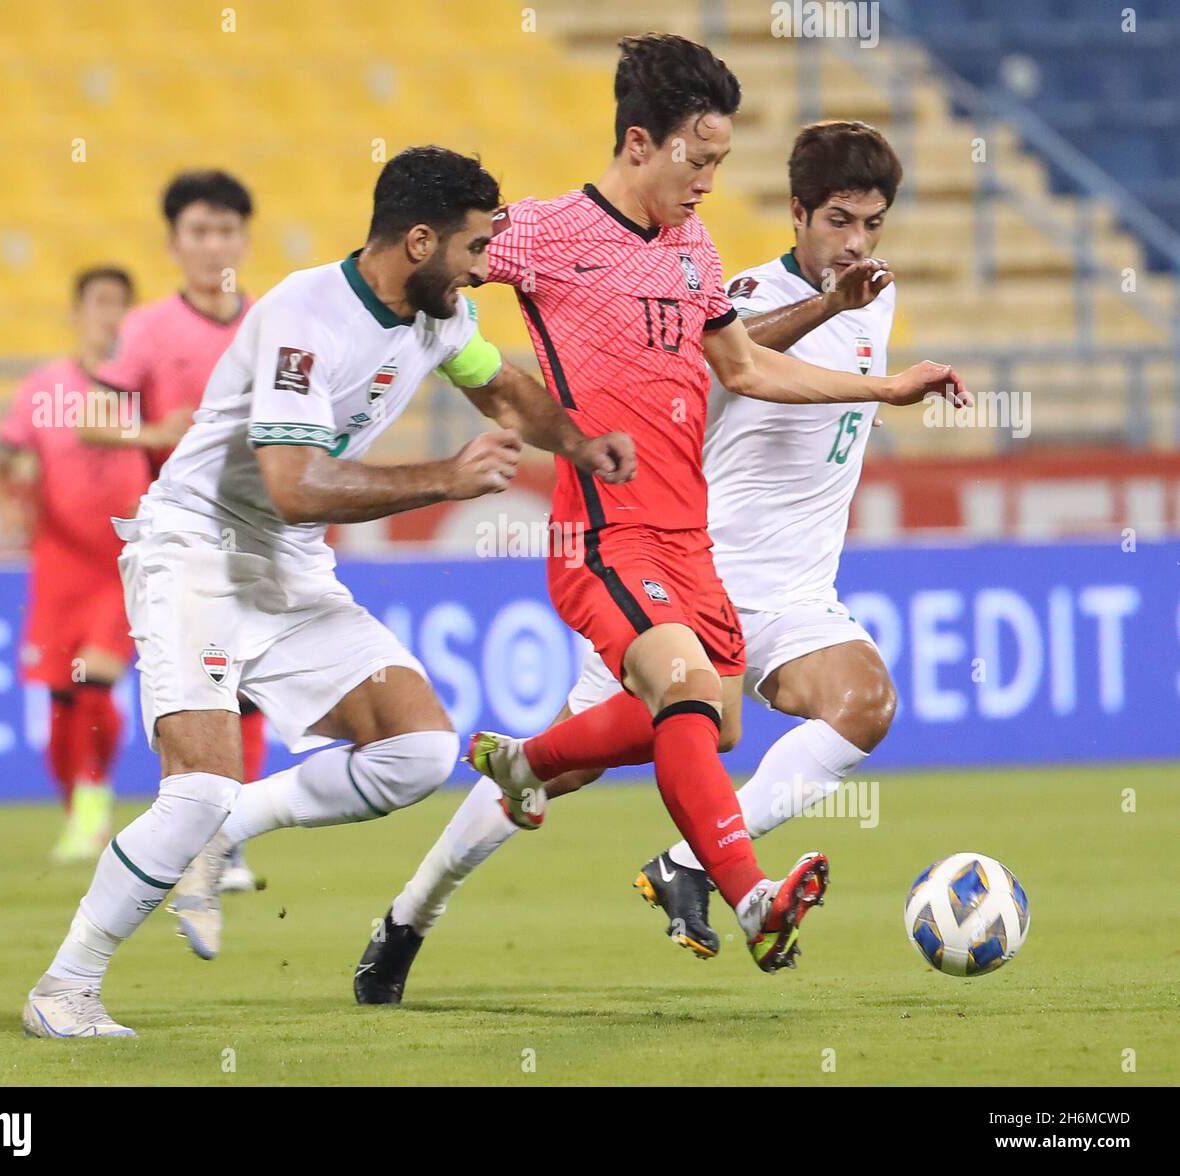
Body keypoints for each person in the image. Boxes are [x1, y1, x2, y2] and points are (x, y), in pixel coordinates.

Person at [354, 35, 968, 997]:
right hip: (605, 531)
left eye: (722, 161)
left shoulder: (692, 249)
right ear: (641, 142)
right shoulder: (549, 233)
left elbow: (744, 367)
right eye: (700, 159)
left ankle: (466, 835)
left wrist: (885, 387)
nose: (711, 182)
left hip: (688, 545)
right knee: (682, 694)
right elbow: (433, 259)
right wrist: (420, 335)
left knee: (699, 728)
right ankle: (747, 897)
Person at [21, 146, 635, 1038]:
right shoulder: (307, 318)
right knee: (192, 791)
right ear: (418, 240)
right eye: (470, 249)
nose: (480, 270)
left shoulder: (437, 316)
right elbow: (293, 485)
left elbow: (501, 387)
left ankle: (231, 831)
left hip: (288, 561)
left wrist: (576, 442)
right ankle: (64, 988)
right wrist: (445, 478)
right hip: (198, 549)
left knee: (420, 753)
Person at [79, 168, 268, 891]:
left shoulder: (271, 319)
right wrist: (154, 427)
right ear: (173, 242)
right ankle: (190, 838)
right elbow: (89, 417)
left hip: (261, 528)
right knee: (191, 689)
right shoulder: (148, 328)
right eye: (199, 230)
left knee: (244, 685)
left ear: (244, 239)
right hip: (182, 533)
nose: (213, 243)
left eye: (225, 229)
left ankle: (225, 839)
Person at [0, 266, 142, 862]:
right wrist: (5, 508)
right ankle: (78, 811)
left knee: (95, 678)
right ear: (77, 313)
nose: (110, 314)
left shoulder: (142, 386)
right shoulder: (45, 389)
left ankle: (95, 803)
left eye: (120, 304)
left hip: (122, 563)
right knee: (59, 702)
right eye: (100, 302)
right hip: (58, 564)